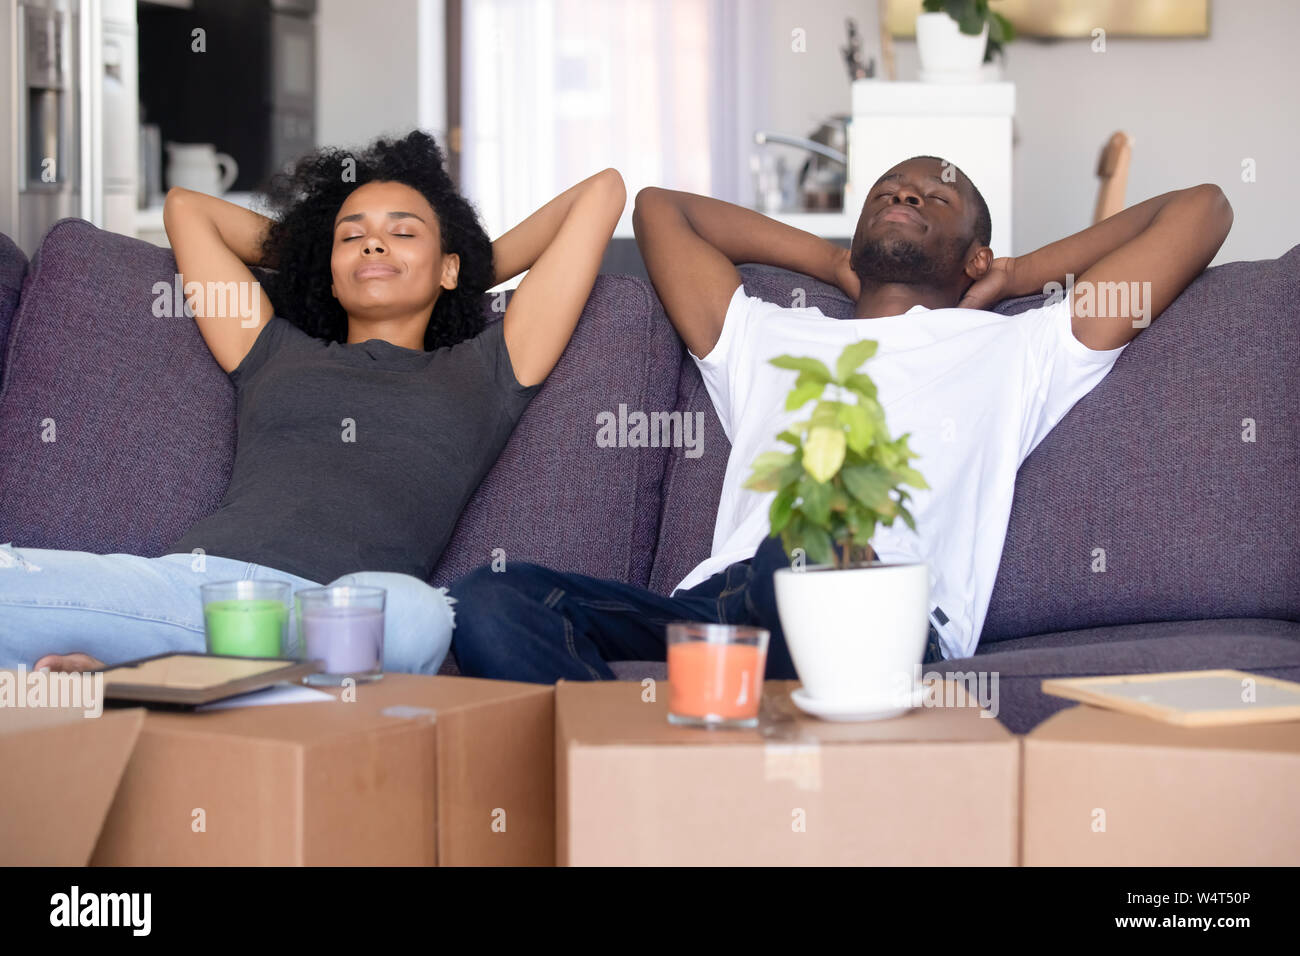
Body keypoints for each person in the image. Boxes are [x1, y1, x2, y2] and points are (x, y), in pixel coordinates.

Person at [448, 155, 1233, 683]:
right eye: (889, 192)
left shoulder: (1019, 346)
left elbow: (1202, 209)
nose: (905, 195)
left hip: (878, 613)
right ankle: (628, 768)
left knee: (801, 551)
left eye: (935, 196)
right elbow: (662, 209)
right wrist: (830, 262)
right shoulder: (770, 335)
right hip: (720, 608)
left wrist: (1021, 274)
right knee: (490, 598)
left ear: (975, 256)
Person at [2, 129, 625, 674]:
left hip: (340, 616)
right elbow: (188, 208)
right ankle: (179, 676)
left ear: (449, 267)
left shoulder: (488, 368)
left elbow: (601, 192)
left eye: (403, 233)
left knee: (419, 616)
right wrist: (318, 256)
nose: (374, 245)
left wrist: (461, 268)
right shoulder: (271, 347)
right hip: (197, 593)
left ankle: (150, 674)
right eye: (352, 238)